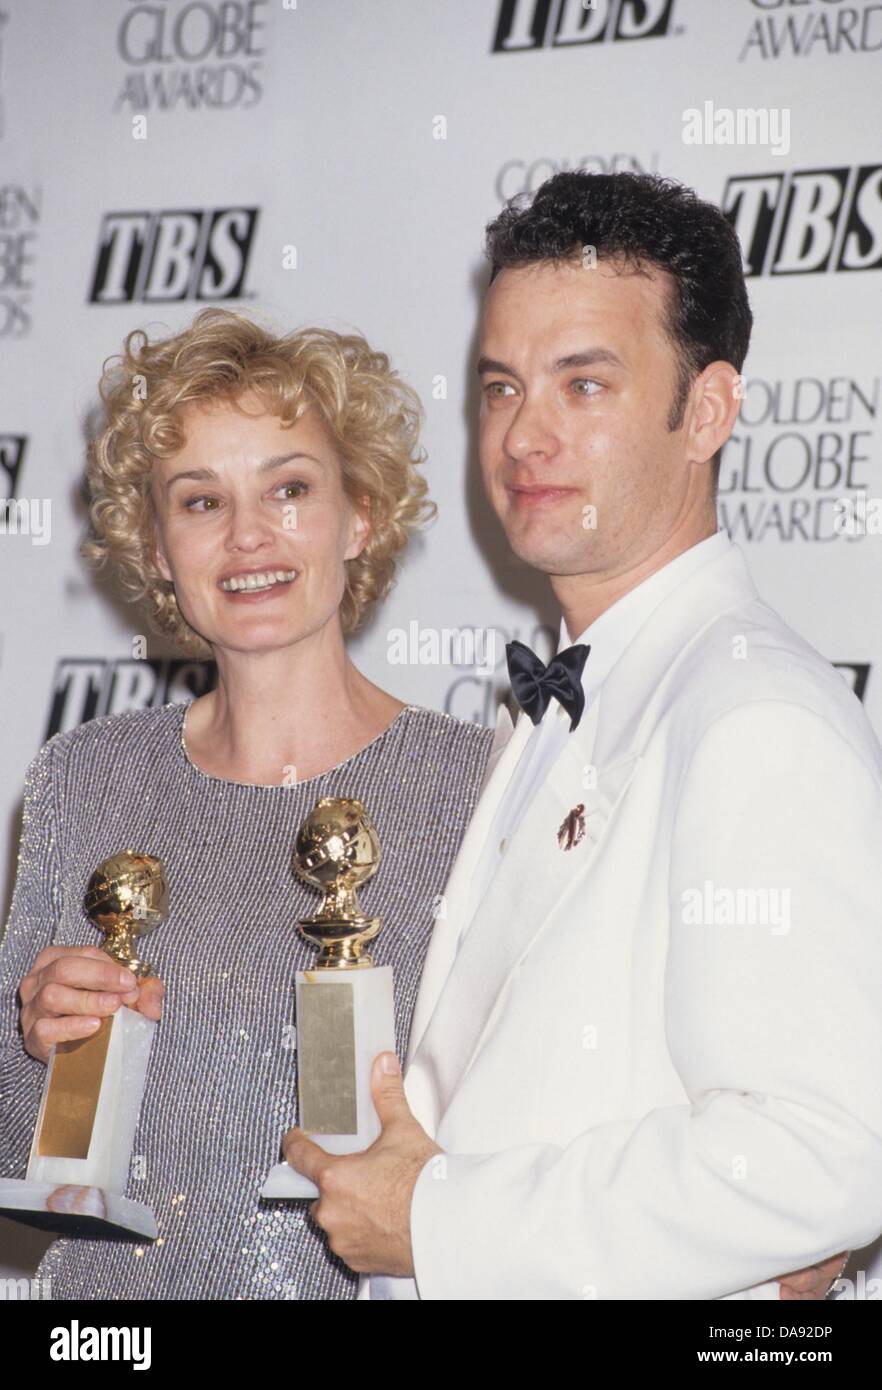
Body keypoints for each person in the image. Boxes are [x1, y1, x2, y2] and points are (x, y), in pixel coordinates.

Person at [283, 172, 882, 1301]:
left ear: (707, 412)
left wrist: (442, 1222)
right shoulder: (560, 701)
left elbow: (822, 1153)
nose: (526, 434)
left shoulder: (756, 718)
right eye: (502, 386)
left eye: (586, 383)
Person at [0, 307, 493, 1299]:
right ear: (155, 541)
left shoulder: (476, 787)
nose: (248, 537)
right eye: (200, 501)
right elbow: (20, 1147)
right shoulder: (82, 777)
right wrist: (29, 1034)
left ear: (361, 514)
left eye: (290, 488)